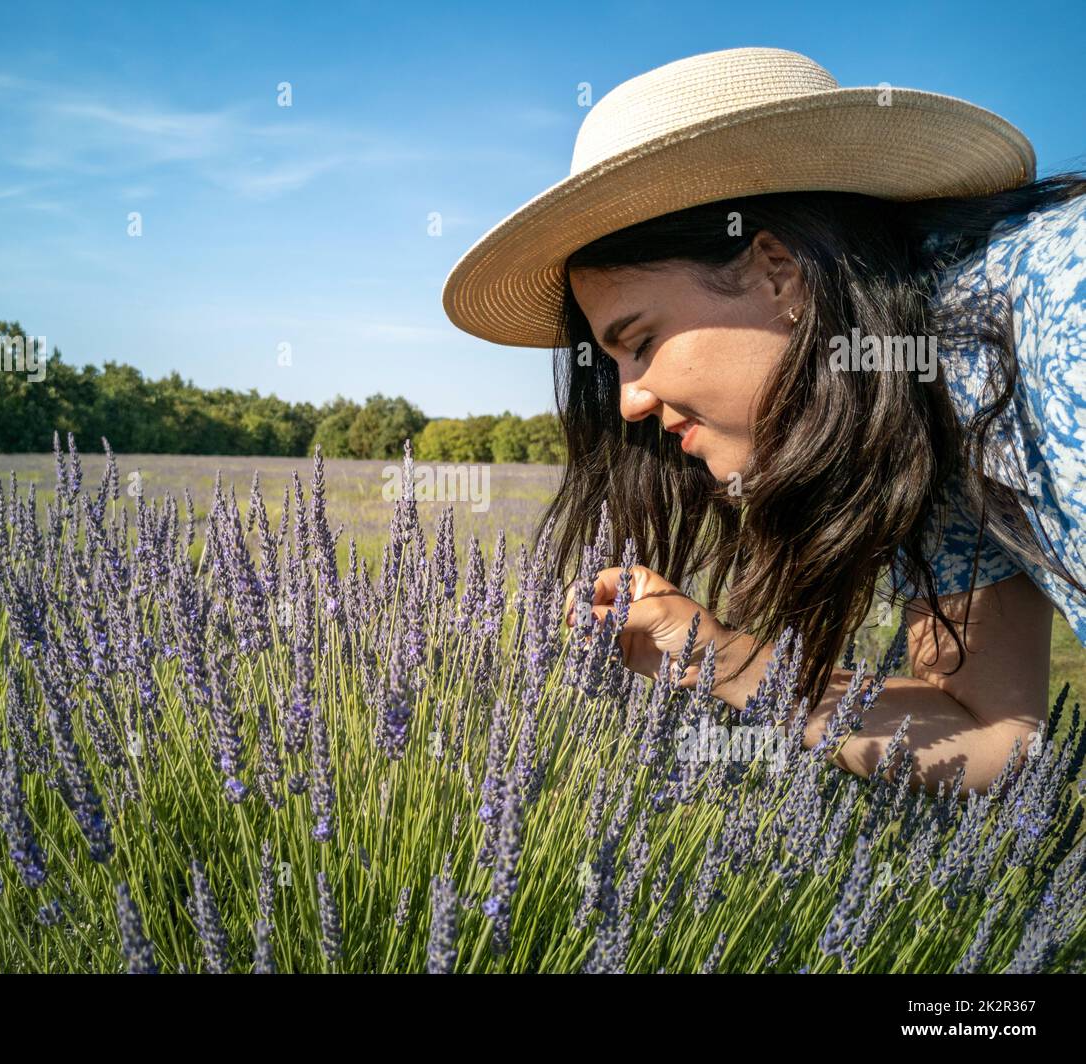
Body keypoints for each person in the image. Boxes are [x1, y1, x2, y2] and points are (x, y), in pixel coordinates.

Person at [441, 47, 1086, 793]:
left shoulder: (1063, 313)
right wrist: (711, 652)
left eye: (641, 341)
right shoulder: (915, 419)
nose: (628, 403)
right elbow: (997, 732)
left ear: (779, 271)